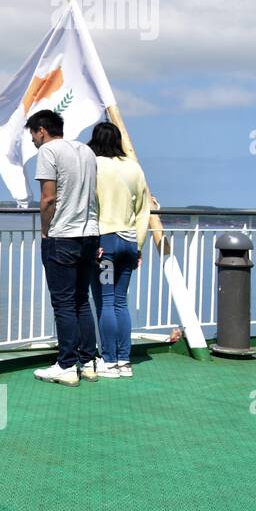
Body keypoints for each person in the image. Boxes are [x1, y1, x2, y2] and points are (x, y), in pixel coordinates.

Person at [27, 109, 100, 386]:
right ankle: (89, 362)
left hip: (62, 236)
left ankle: (66, 365)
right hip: (89, 235)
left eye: (33, 135)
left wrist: (45, 231)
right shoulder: (87, 151)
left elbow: (48, 198)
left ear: (42, 130)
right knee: (82, 300)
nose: (34, 141)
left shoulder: (47, 152)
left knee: (63, 303)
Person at [87, 121, 150, 378]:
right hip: (129, 241)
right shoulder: (134, 168)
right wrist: (139, 246)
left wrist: (92, 244)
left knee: (106, 301)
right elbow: (143, 210)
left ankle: (109, 360)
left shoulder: (94, 166)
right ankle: (124, 361)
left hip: (105, 243)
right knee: (121, 301)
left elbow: (89, 204)